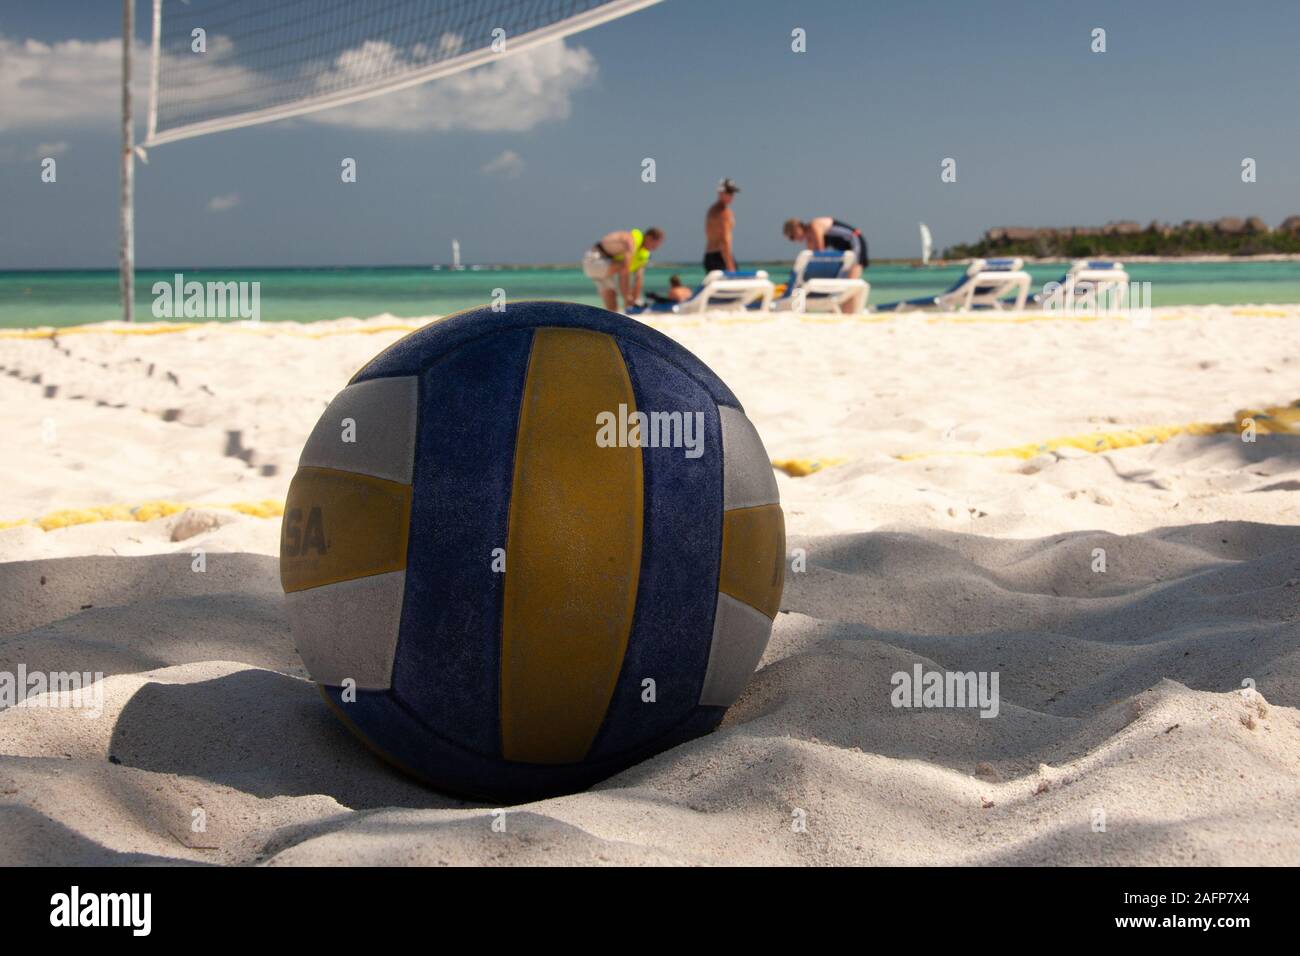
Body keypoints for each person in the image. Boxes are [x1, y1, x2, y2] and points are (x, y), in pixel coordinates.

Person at [582, 227, 664, 311]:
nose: (655, 248)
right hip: (594, 260)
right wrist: (627, 297)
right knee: (624, 267)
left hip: (606, 266)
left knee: (612, 301)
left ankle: (614, 317)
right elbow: (624, 272)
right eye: (655, 244)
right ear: (649, 238)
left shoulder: (643, 254)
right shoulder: (630, 242)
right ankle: (627, 303)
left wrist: (635, 300)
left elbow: (639, 279)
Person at [782, 217, 869, 278]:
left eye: (792, 237)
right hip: (846, 248)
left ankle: (853, 302)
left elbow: (821, 251)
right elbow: (810, 260)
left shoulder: (814, 225)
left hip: (854, 239)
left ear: (797, 228)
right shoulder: (810, 241)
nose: (793, 240)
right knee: (846, 276)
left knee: (853, 275)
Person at [704, 178, 740, 273]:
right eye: (728, 192)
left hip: (709, 256)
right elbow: (725, 239)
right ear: (720, 192)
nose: (731, 196)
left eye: (732, 192)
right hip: (721, 257)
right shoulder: (724, 213)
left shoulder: (712, 210)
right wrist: (730, 265)